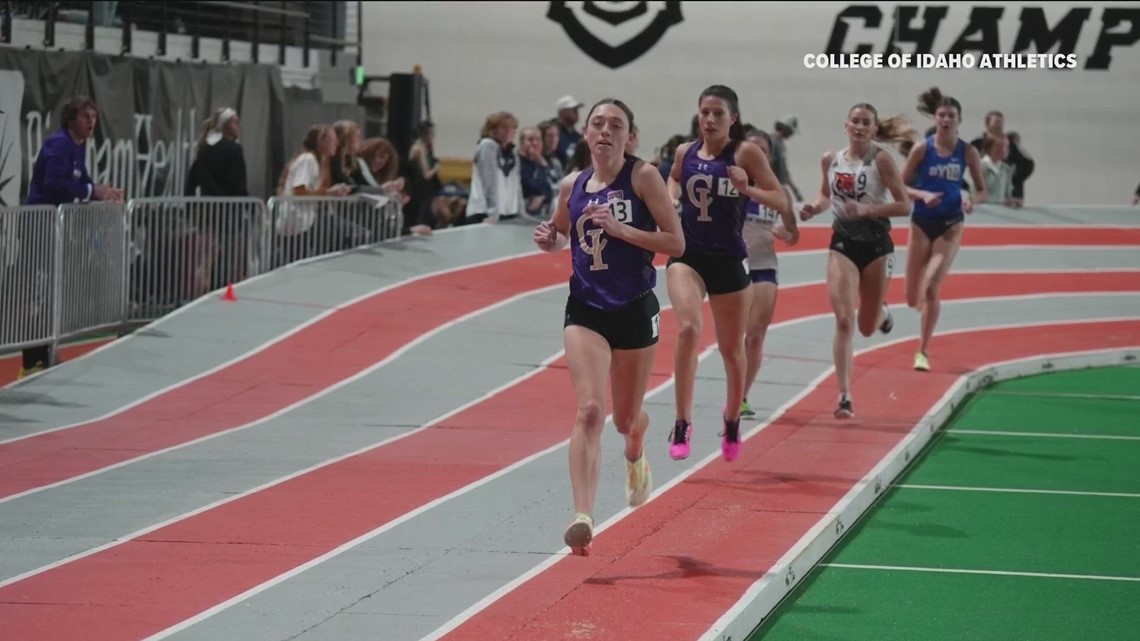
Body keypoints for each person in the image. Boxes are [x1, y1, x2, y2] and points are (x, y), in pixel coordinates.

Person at [532, 98, 685, 556]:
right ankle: (583, 516)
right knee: (590, 411)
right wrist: (549, 241)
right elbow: (562, 234)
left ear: (630, 137)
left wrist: (626, 233)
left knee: (624, 420)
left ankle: (636, 451)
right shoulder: (571, 184)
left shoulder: (643, 177)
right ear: (586, 134)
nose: (605, 131)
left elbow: (675, 240)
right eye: (597, 123)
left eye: (615, 125)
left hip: (635, 307)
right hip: (586, 309)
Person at [665, 85, 788, 463]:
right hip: (688, 256)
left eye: (718, 113)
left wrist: (746, 187)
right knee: (687, 328)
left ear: (733, 118)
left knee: (732, 351)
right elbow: (671, 178)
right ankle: (682, 422)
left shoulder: (745, 152)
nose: (710, 119)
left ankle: (732, 419)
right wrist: (671, 198)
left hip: (730, 260)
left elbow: (780, 199)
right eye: (705, 112)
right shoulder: (685, 151)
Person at [799, 103, 917, 418]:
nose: (860, 127)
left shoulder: (881, 160)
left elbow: (904, 206)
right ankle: (844, 396)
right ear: (846, 125)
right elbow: (825, 196)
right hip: (843, 243)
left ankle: (881, 313)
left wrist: (867, 210)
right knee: (843, 320)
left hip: (877, 245)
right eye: (855, 121)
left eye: (866, 122)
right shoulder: (831, 160)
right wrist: (813, 208)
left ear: (874, 129)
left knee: (866, 327)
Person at [19, 95, 122, 379]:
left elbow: (83, 183)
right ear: (70, 119)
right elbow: (53, 183)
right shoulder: (60, 143)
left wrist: (103, 194)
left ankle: (46, 353)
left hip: (56, 227)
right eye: (85, 117)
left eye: (94, 117)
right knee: (37, 294)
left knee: (53, 292)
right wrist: (92, 191)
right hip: (38, 225)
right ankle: (31, 361)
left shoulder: (78, 147)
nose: (91, 122)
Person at [902, 87, 987, 372]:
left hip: (951, 223)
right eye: (942, 115)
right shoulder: (922, 148)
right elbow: (900, 185)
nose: (946, 119)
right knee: (912, 297)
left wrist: (970, 200)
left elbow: (982, 190)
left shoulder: (967, 151)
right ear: (935, 118)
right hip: (921, 223)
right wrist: (922, 195)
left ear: (959, 120)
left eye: (952, 115)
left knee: (930, 288)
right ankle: (921, 311)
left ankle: (922, 351)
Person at [738, 129, 799, 418]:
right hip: (733, 267)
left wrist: (785, 233)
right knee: (732, 337)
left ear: (769, 156)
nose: (756, 156)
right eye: (752, 149)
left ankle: (741, 396)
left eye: (762, 151)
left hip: (764, 266)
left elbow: (793, 233)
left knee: (754, 337)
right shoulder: (731, 183)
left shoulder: (779, 193)